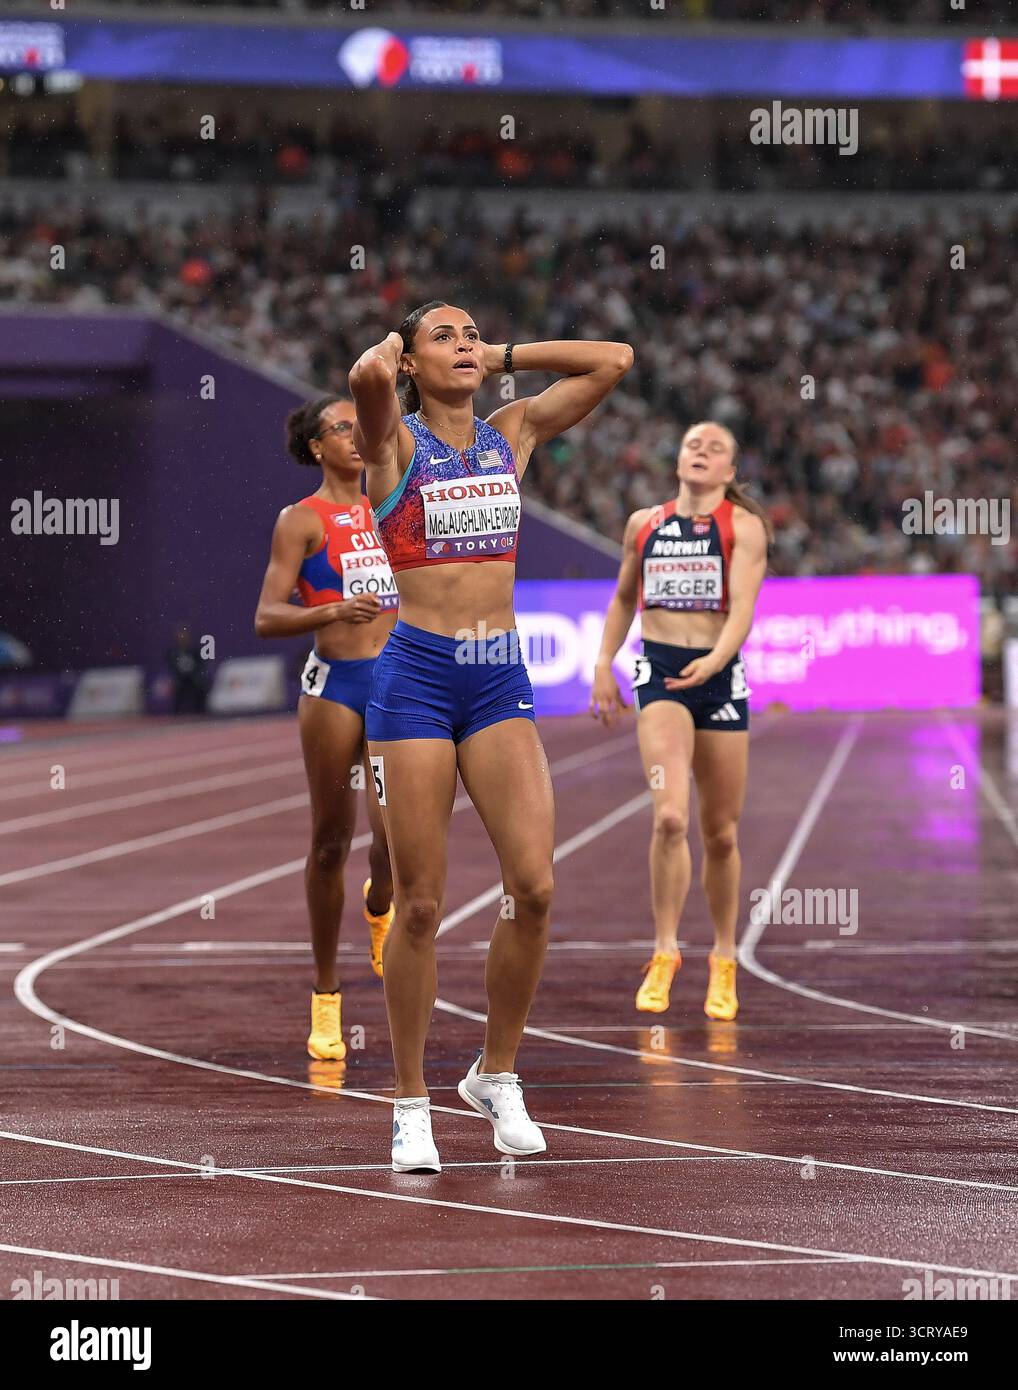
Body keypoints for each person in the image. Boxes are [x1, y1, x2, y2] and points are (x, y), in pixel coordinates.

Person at [349, 300, 633, 1172]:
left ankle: (495, 1073)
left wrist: (504, 351)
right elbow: (363, 377)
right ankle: (408, 1102)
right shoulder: (391, 442)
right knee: (424, 903)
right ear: (411, 363)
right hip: (418, 680)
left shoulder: (511, 433)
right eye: (447, 336)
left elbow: (612, 359)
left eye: (474, 333)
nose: (466, 344)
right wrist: (394, 355)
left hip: (498, 675)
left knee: (536, 886)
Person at [590, 421, 769, 1022]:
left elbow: (743, 608)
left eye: (716, 448)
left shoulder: (742, 527)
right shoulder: (645, 524)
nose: (701, 451)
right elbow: (621, 599)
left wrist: (715, 663)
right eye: (694, 443)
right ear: (679, 459)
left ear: (729, 473)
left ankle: (724, 957)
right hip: (661, 675)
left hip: (719, 679)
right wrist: (601, 665)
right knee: (670, 816)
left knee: (720, 832)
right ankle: (666, 950)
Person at [255, 396, 398, 1062]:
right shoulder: (301, 521)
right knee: (330, 842)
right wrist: (334, 608)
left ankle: (382, 900)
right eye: (342, 428)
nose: (355, 436)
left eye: (359, 425)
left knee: (395, 836)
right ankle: (326, 995)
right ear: (317, 447)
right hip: (335, 687)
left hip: (399, 685)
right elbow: (266, 616)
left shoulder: (395, 504)